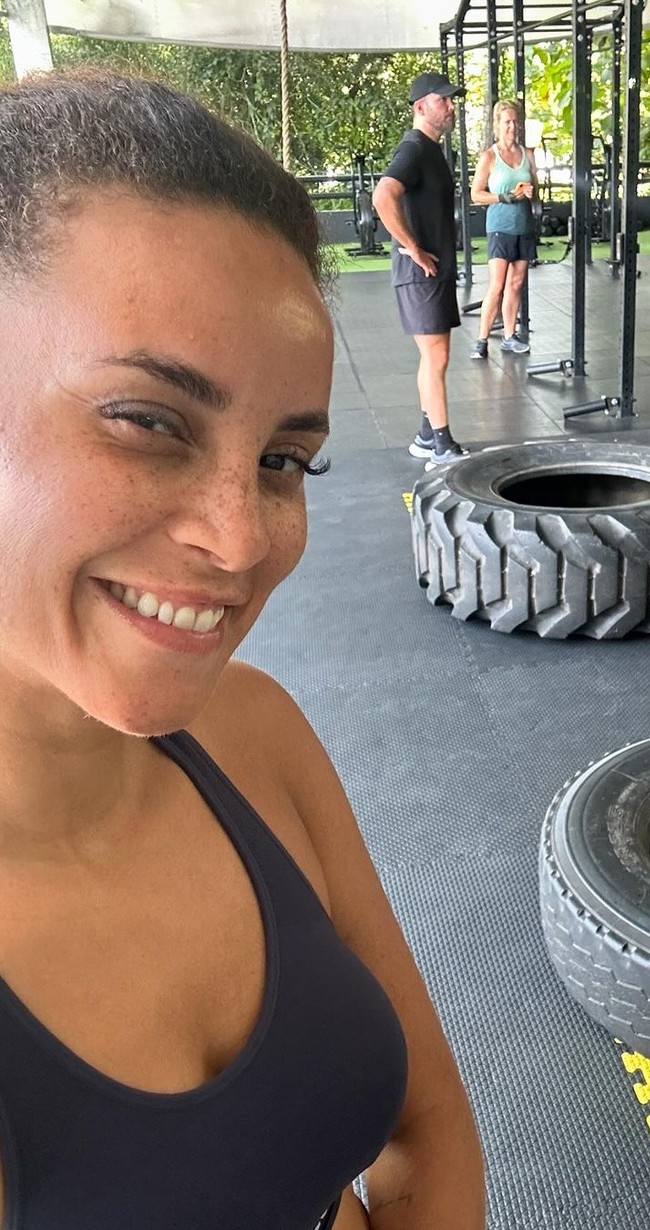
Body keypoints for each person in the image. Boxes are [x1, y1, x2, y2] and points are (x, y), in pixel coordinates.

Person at [0, 71, 485, 1230]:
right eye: (149, 420)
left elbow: (430, 1127)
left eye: (284, 459)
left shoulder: (255, 733)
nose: (239, 538)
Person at [372, 72, 469, 467]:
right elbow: (383, 196)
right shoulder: (413, 148)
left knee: (434, 356)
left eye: (451, 100)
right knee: (436, 355)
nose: (451, 106)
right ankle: (443, 445)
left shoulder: (431, 151)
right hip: (420, 272)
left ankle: (427, 436)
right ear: (420, 107)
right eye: (443, 100)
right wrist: (412, 247)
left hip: (434, 269)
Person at [468, 100, 538, 359]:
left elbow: (536, 191)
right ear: (497, 125)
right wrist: (503, 197)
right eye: (507, 122)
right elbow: (476, 194)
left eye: (515, 121)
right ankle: (481, 340)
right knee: (497, 285)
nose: (512, 126)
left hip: (524, 226)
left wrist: (529, 193)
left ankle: (509, 336)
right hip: (500, 227)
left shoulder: (527, 155)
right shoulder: (489, 156)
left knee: (516, 283)